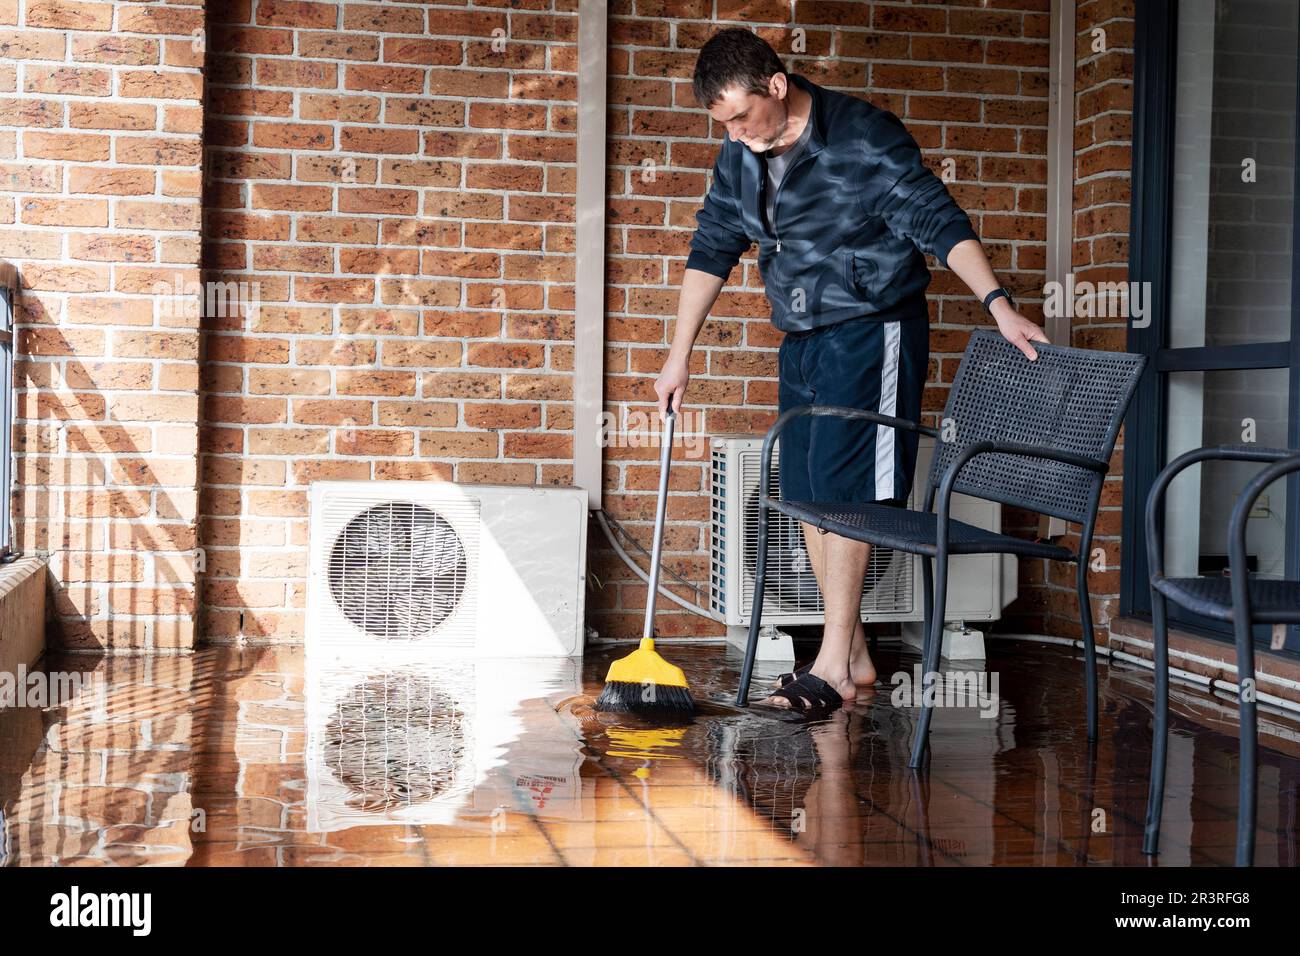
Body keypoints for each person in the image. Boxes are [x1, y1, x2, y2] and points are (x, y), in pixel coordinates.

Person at [657, 28, 1049, 711]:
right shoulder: (740, 151)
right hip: (803, 336)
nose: (737, 134)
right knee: (809, 492)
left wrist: (998, 305)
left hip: (874, 327)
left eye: (742, 117)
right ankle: (855, 654)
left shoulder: (862, 137)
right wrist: (678, 354)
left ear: (776, 86)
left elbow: (938, 220)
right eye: (724, 124)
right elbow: (714, 243)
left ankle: (834, 663)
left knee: (852, 496)